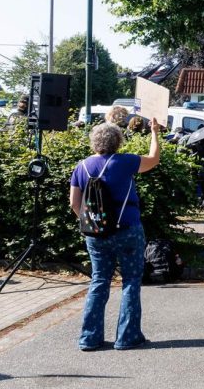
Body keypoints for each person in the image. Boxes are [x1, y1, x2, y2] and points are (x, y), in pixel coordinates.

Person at [69, 118, 162, 351]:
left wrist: (92, 224)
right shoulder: (125, 161)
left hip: (96, 233)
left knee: (99, 281)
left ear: (94, 142)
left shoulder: (81, 167)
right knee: (131, 281)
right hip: (128, 228)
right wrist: (154, 133)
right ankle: (127, 337)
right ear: (118, 141)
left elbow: (74, 203)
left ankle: (89, 338)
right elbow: (153, 159)